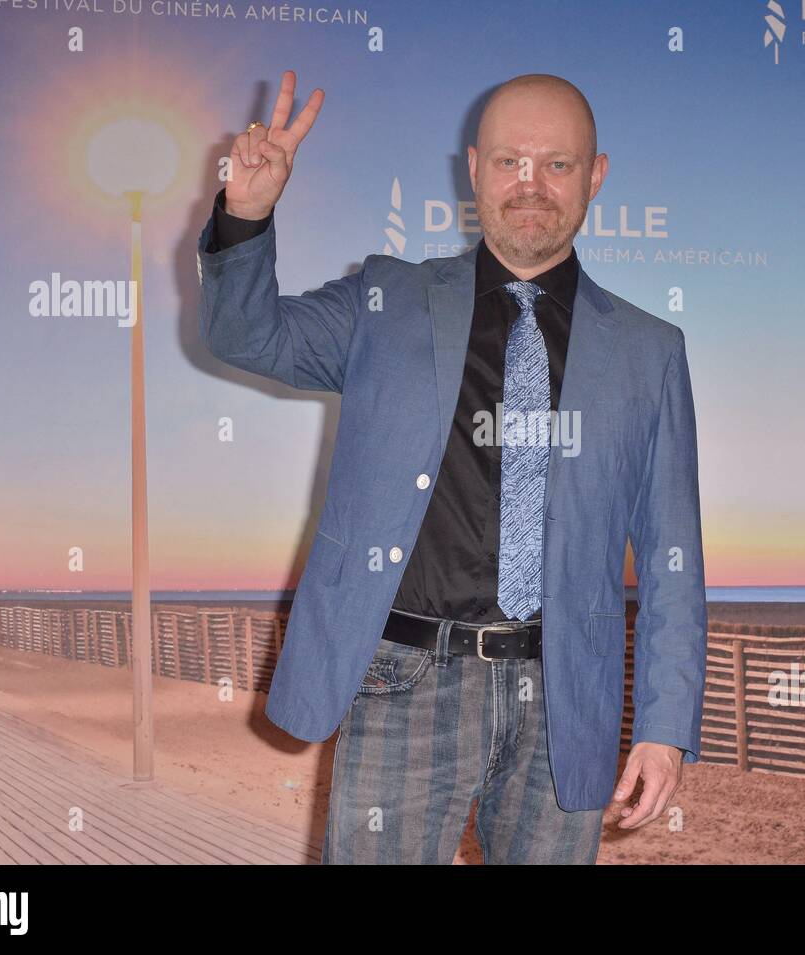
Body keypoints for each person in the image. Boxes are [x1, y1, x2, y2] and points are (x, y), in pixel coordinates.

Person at [198, 71, 707, 864]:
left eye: (558, 165)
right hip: (401, 682)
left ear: (597, 174)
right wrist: (247, 214)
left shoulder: (651, 352)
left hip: (563, 701)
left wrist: (667, 727)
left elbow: (675, 559)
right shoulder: (386, 299)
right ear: (473, 168)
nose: (529, 184)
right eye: (509, 161)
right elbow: (246, 337)